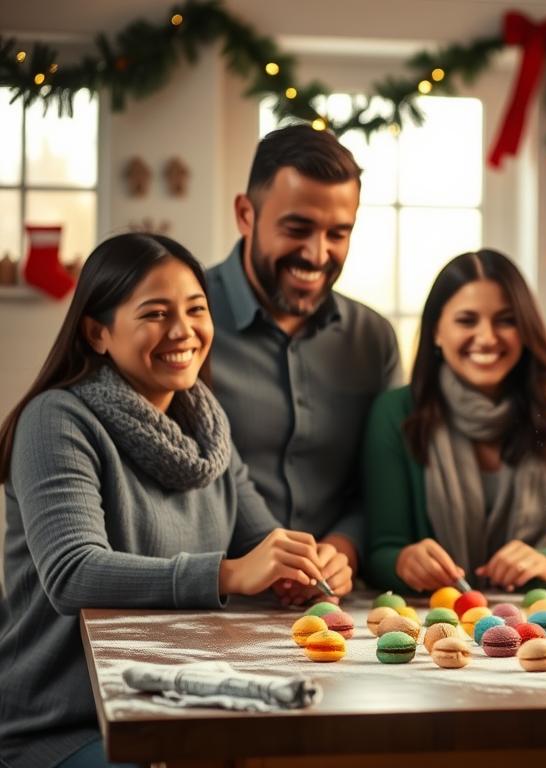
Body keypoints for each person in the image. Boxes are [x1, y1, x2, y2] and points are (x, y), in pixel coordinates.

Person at [0, 234, 347, 768]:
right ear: (97, 332)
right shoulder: (55, 420)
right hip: (67, 726)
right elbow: (72, 573)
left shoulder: (206, 426)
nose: (182, 331)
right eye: (156, 314)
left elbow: (263, 542)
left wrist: (303, 567)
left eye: (196, 309)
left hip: (181, 705)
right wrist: (228, 575)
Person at [205, 124, 401, 601]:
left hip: (338, 613)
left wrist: (343, 548)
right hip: (209, 609)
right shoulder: (186, 325)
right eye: (297, 229)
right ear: (245, 215)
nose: (318, 254)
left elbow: (380, 481)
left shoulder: (373, 340)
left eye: (339, 233)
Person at [363, 249, 546, 593]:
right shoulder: (395, 412)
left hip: (544, 628)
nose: (487, 337)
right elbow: (378, 554)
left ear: (525, 330)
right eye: (467, 320)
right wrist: (403, 562)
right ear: (436, 331)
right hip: (436, 626)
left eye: (506, 320)